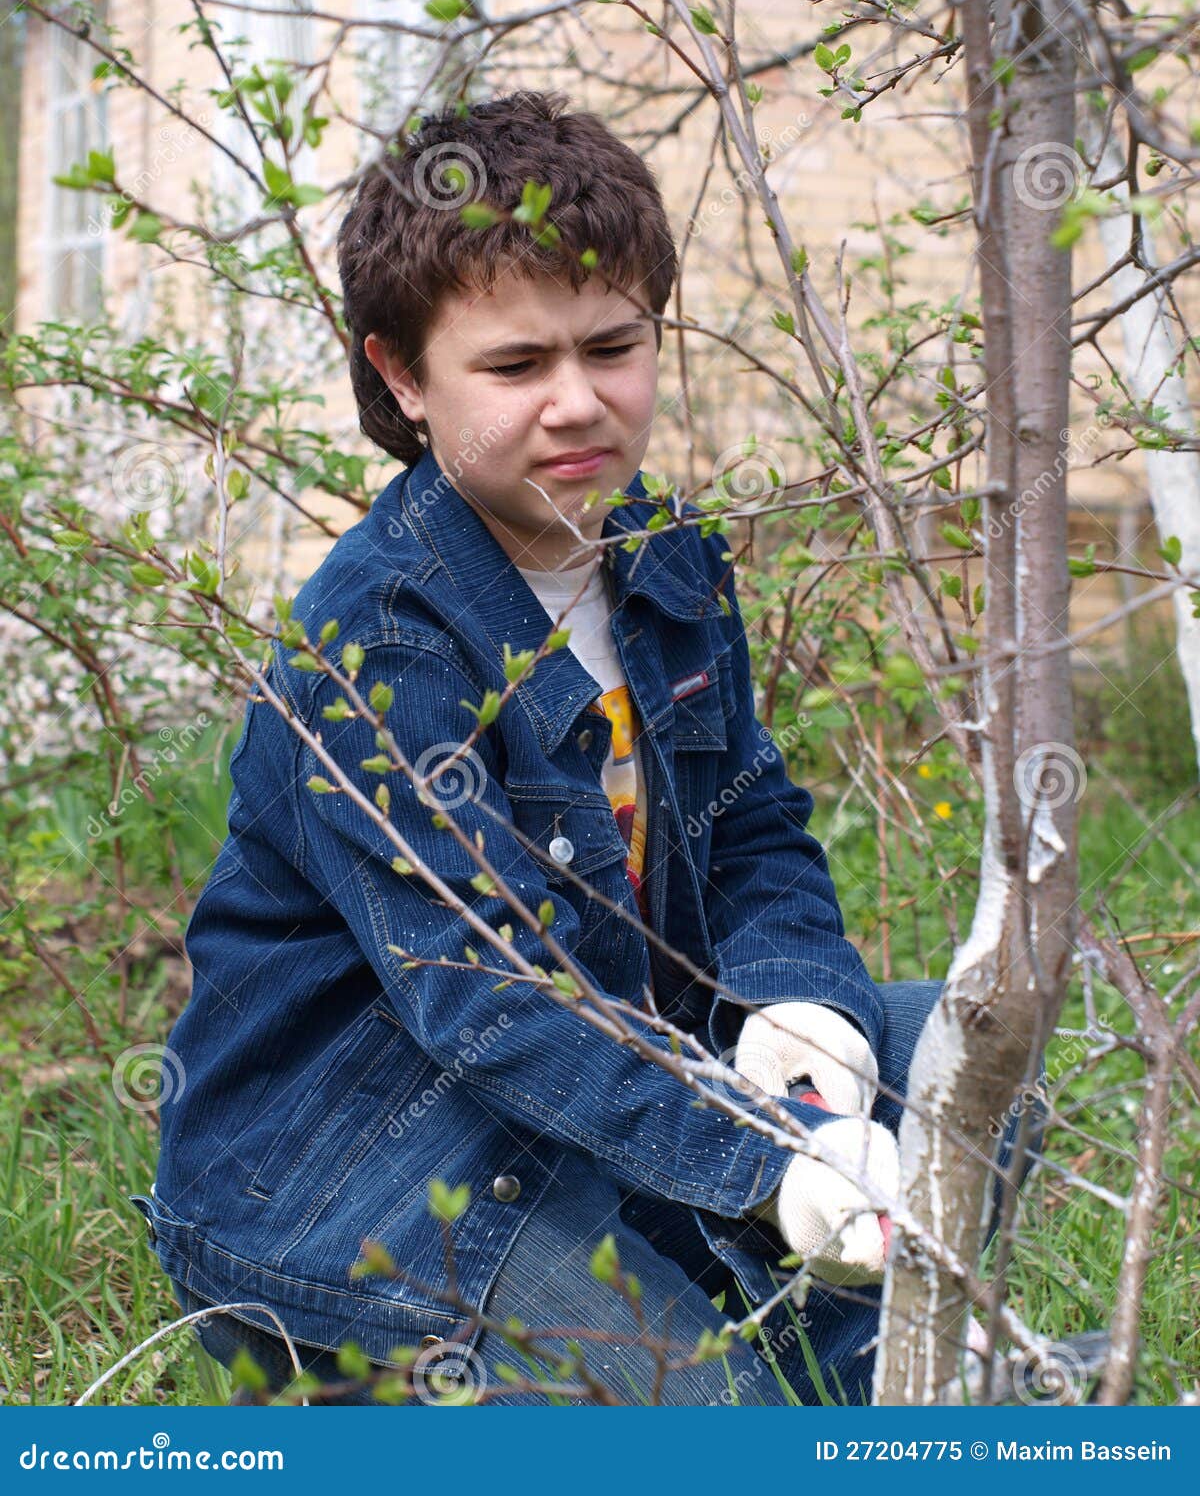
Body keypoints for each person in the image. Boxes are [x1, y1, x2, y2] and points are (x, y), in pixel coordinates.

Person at [132, 89, 1041, 1406]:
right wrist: (764, 1156)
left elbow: (752, 828)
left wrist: (802, 1009)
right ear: (400, 372)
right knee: (707, 1421)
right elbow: (491, 1000)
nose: (579, 403)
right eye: (515, 367)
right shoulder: (374, 645)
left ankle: (892, 1388)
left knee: (970, 1084)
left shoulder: (664, 553)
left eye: (613, 346)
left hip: (617, 1074)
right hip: (359, 1165)